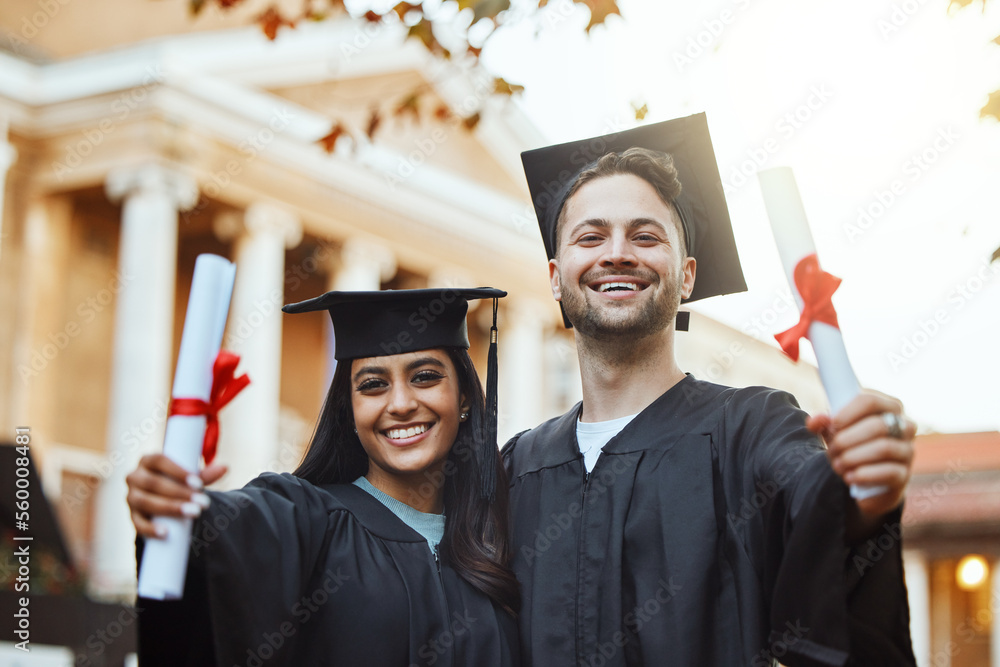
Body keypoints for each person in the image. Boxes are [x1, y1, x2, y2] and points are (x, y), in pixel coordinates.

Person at [506, 113, 916, 666]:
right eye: (592, 236)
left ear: (688, 275)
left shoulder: (750, 430)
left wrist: (864, 495)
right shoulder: (516, 469)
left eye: (646, 236)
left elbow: (817, 510)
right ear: (556, 276)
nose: (617, 252)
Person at [127, 288, 521, 666]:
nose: (400, 404)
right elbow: (233, 535)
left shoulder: (498, 539)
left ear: (464, 397)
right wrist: (180, 510)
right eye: (372, 385)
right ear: (349, 411)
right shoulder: (309, 520)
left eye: (425, 377)